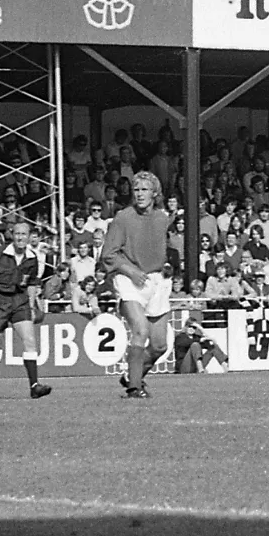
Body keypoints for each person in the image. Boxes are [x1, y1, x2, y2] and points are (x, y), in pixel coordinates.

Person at [99, 171, 172, 399]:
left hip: (156, 280)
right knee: (140, 330)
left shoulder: (162, 218)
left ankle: (133, 375)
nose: (139, 194)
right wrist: (131, 271)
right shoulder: (123, 217)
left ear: (155, 193)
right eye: (136, 189)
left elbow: (158, 250)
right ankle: (134, 388)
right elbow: (108, 254)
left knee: (160, 345)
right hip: (129, 279)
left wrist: (166, 265)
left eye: (144, 190)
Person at [0, 219, 52, 400]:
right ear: (11, 235)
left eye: (24, 234)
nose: (20, 238)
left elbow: (32, 283)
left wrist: (32, 305)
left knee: (30, 340)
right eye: (17, 234)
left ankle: (34, 386)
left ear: (29, 237)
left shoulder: (33, 258)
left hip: (20, 300)